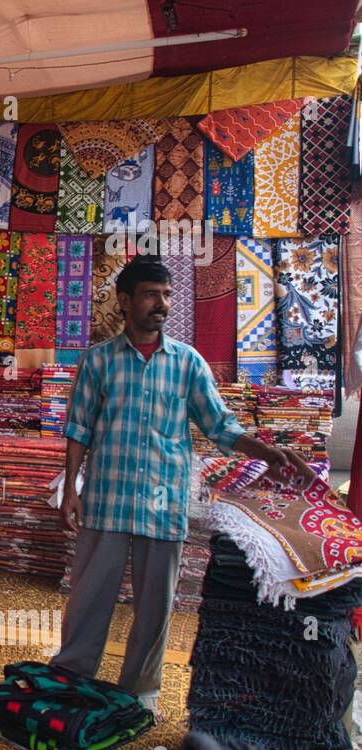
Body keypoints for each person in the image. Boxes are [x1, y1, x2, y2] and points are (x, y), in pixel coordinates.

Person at [54, 259, 314, 723]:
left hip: (163, 499)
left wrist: (268, 452)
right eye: (152, 294)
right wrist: (71, 487)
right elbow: (79, 428)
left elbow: (220, 427)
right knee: (88, 596)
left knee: (156, 605)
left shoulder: (188, 362)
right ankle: (72, 676)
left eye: (167, 295)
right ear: (126, 301)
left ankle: (139, 692)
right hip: (107, 496)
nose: (163, 305)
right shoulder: (98, 361)